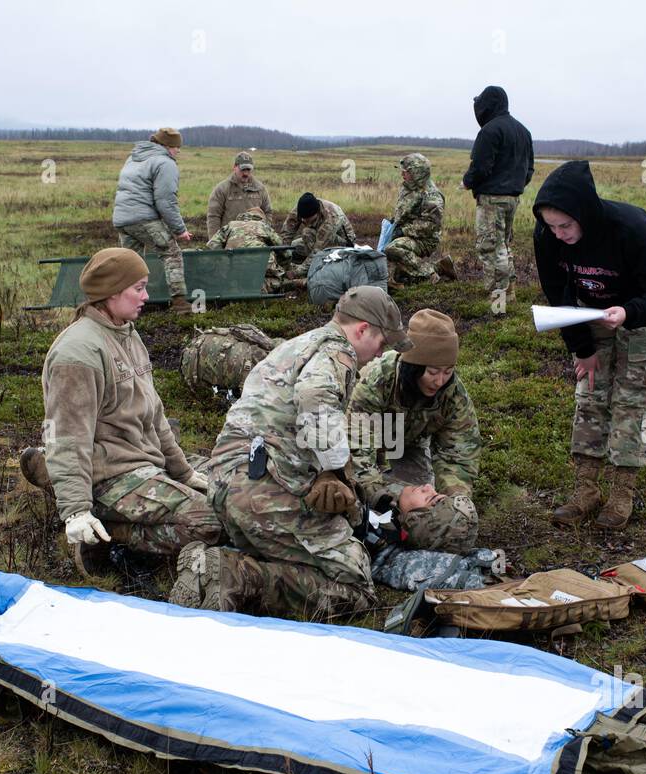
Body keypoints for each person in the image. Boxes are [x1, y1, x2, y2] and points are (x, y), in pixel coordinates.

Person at [171, 287, 412, 619]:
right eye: (382, 343)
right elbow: (316, 397)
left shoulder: (296, 346)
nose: (379, 353)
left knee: (308, 541)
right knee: (357, 585)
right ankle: (235, 575)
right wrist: (335, 470)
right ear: (362, 330)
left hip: (227, 481)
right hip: (263, 492)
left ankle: (218, 563)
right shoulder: (336, 353)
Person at [32, 248, 222, 577]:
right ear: (112, 293)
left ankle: (52, 477)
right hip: (109, 477)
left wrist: (184, 472)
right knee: (211, 521)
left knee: (230, 497)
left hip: (144, 462)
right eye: (139, 288)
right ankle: (109, 535)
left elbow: (154, 413)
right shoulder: (77, 354)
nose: (147, 296)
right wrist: (76, 511)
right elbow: (67, 437)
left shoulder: (126, 333)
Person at [533, 160, 646, 531]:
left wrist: (629, 312)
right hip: (592, 311)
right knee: (590, 393)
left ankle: (622, 492)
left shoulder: (631, 229)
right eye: (551, 226)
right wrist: (583, 349)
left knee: (632, 400)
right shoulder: (547, 236)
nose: (558, 234)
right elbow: (557, 295)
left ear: (584, 213)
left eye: (565, 225)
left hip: (644, 314)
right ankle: (585, 489)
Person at [350, 309, 480, 552]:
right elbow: (356, 452)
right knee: (368, 498)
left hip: (407, 443)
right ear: (413, 366)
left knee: (422, 507)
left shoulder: (453, 394)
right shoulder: (377, 382)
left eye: (448, 371)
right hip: (366, 436)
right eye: (432, 372)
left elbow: (459, 453)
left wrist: (453, 502)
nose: (440, 381)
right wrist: (386, 495)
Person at [461, 86, 534, 305]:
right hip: (512, 198)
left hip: (492, 199)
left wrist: (467, 181)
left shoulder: (490, 131)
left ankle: (498, 299)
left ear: (487, 105)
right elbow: (529, 169)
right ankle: (508, 292)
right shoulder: (523, 131)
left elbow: (481, 167)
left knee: (491, 247)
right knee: (503, 245)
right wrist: (515, 186)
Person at [112, 128, 193, 315]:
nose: (178, 151)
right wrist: (180, 230)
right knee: (171, 253)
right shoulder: (165, 163)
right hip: (143, 218)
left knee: (131, 263)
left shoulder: (134, 157)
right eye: (176, 146)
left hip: (122, 219)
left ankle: (125, 305)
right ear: (167, 146)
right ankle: (180, 303)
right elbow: (166, 201)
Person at [382, 153, 456, 288]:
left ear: (417, 173)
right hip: (409, 236)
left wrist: (402, 230)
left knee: (393, 249)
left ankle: (430, 274)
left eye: (406, 172)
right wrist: (394, 223)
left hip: (425, 240)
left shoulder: (432, 195)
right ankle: (442, 266)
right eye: (402, 172)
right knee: (402, 274)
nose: (402, 175)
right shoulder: (409, 188)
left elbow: (429, 225)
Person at [206, 206, 292, 293]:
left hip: (233, 265)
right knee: (277, 277)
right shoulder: (263, 225)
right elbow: (285, 250)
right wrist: (285, 267)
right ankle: (263, 289)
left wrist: (224, 256)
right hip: (260, 263)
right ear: (261, 218)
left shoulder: (231, 225)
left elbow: (212, 244)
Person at [279, 192, 356, 279]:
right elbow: (286, 235)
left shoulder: (331, 217)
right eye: (304, 222)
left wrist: (296, 272)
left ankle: (312, 271)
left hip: (344, 244)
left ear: (318, 213)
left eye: (312, 221)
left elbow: (317, 250)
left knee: (307, 233)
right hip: (317, 237)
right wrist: (281, 258)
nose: (309, 224)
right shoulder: (299, 210)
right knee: (293, 247)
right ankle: (306, 265)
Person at [206, 151, 273, 239]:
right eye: (243, 169)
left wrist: (264, 233)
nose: (245, 173)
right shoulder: (222, 189)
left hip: (255, 241)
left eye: (248, 170)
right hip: (230, 242)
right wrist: (215, 243)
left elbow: (268, 212)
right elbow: (213, 216)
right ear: (235, 167)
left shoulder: (260, 188)